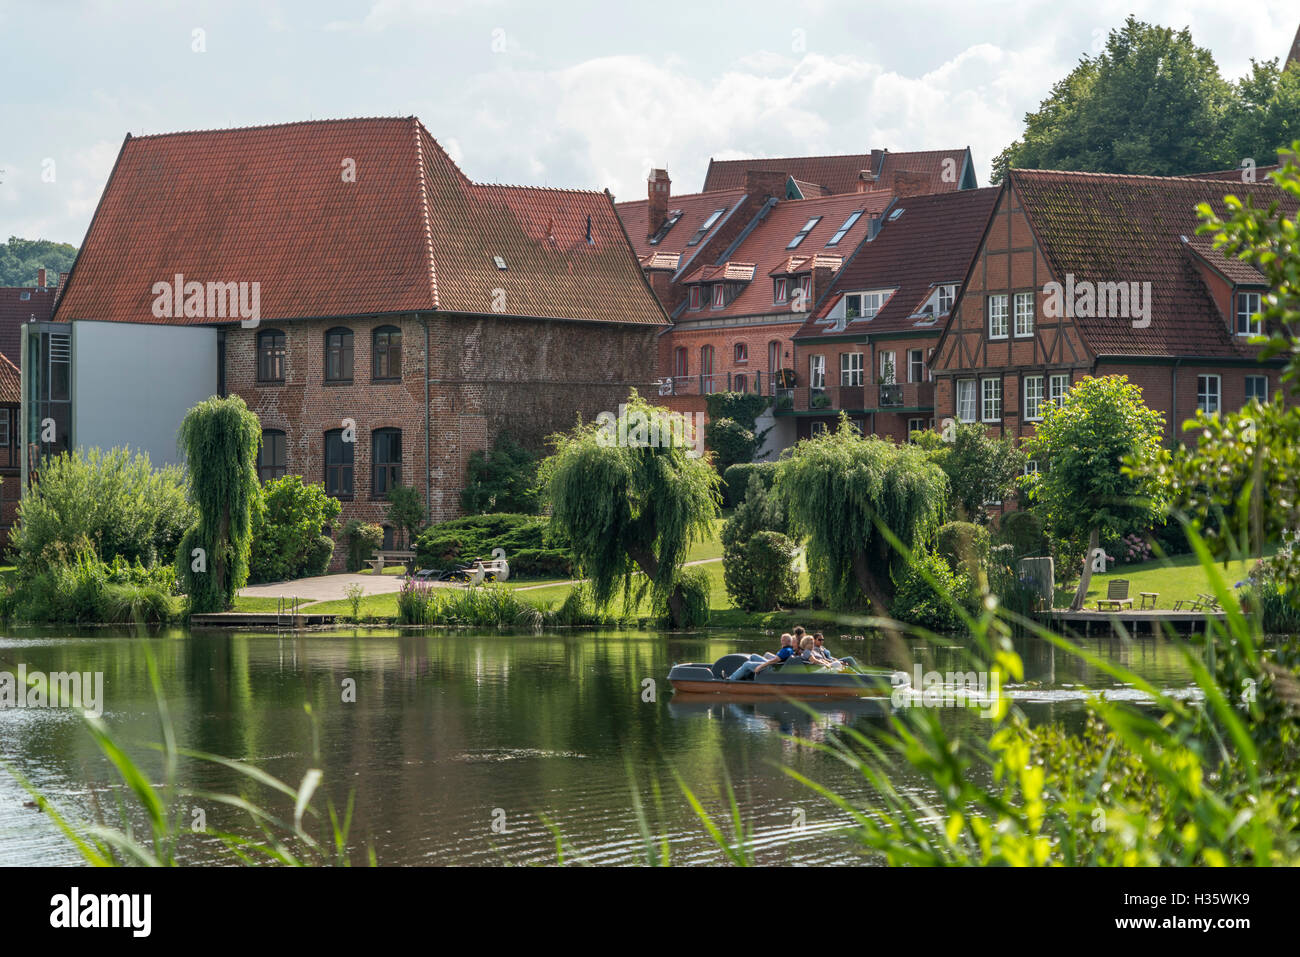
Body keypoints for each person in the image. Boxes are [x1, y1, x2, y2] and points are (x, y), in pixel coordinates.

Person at [726, 634, 795, 681]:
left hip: (772, 668)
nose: (781, 641)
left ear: (788, 641)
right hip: (774, 665)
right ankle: (745, 675)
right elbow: (778, 659)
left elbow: (775, 660)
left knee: (747, 664)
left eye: (783, 640)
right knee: (753, 656)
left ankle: (731, 679)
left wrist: (760, 666)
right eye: (781, 639)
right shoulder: (789, 649)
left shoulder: (786, 650)